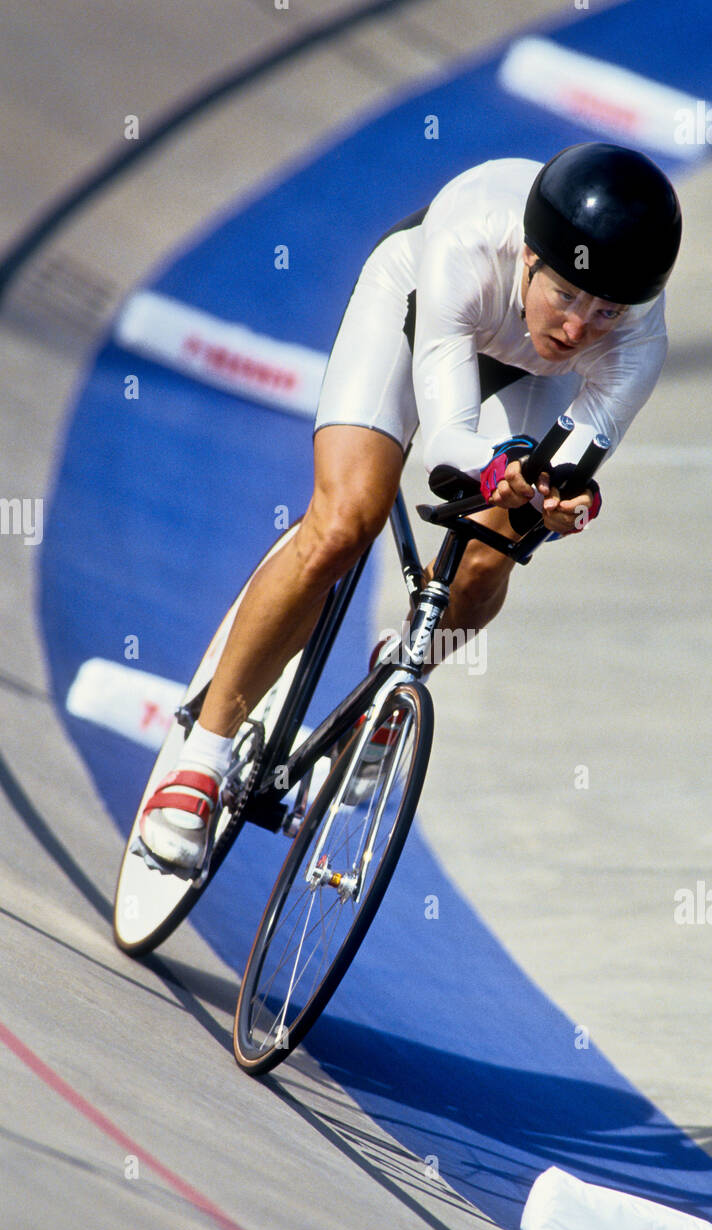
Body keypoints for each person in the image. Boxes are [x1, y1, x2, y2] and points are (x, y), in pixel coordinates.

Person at [138, 141, 682, 877]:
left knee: (492, 559)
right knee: (341, 528)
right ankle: (199, 761)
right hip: (420, 316)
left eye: (606, 311)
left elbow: (574, 467)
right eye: (566, 297)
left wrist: (561, 501)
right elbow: (447, 442)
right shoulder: (470, 231)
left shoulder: (638, 340)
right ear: (528, 257)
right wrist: (496, 466)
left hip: (529, 385)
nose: (579, 329)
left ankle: (391, 687)